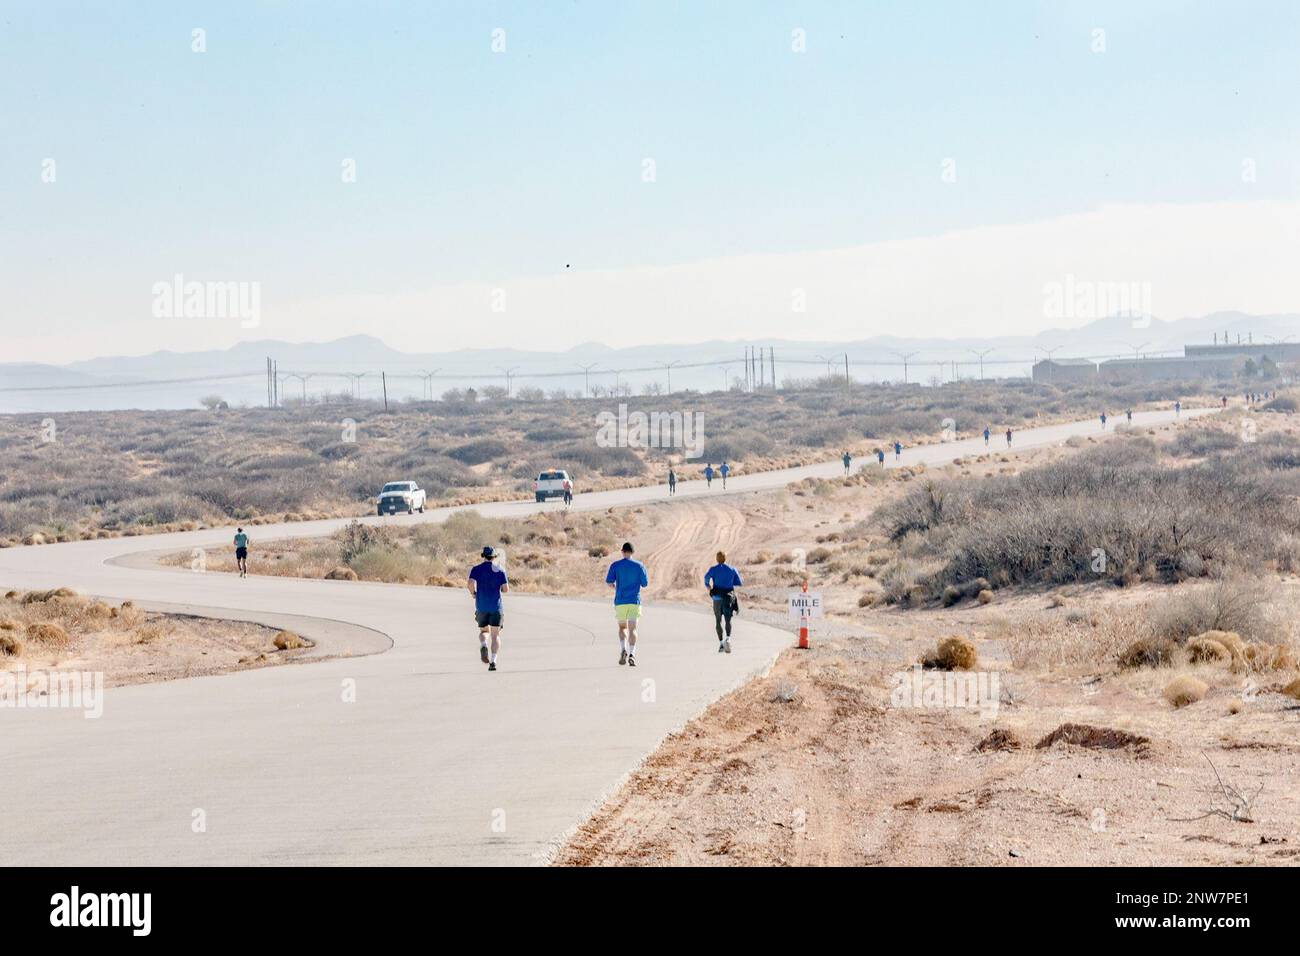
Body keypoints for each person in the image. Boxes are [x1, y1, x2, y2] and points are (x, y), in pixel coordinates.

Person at [606, 542, 649, 666]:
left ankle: (623, 649)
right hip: (634, 601)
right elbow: (645, 584)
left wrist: (616, 588)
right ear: (632, 552)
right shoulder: (639, 566)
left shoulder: (615, 565)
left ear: (622, 551)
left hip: (620, 601)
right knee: (633, 629)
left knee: (622, 627)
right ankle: (632, 654)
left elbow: (609, 582)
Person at [468, 546, 509, 671]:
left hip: (481, 606)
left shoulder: (476, 569)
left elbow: (470, 583)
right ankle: (493, 661)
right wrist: (500, 588)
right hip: (496, 607)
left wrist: (473, 593)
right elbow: (506, 589)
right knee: (495, 635)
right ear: (495, 557)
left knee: (484, 631)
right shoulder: (500, 570)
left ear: (483, 556)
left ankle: (483, 644)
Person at [704, 551, 743, 653]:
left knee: (718, 621)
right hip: (728, 597)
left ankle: (721, 644)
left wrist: (709, 587)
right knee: (728, 620)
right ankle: (728, 638)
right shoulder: (732, 569)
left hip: (717, 598)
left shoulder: (713, 569)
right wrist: (730, 581)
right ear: (725, 559)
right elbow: (739, 582)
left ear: (717, 559)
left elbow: (706, 578)